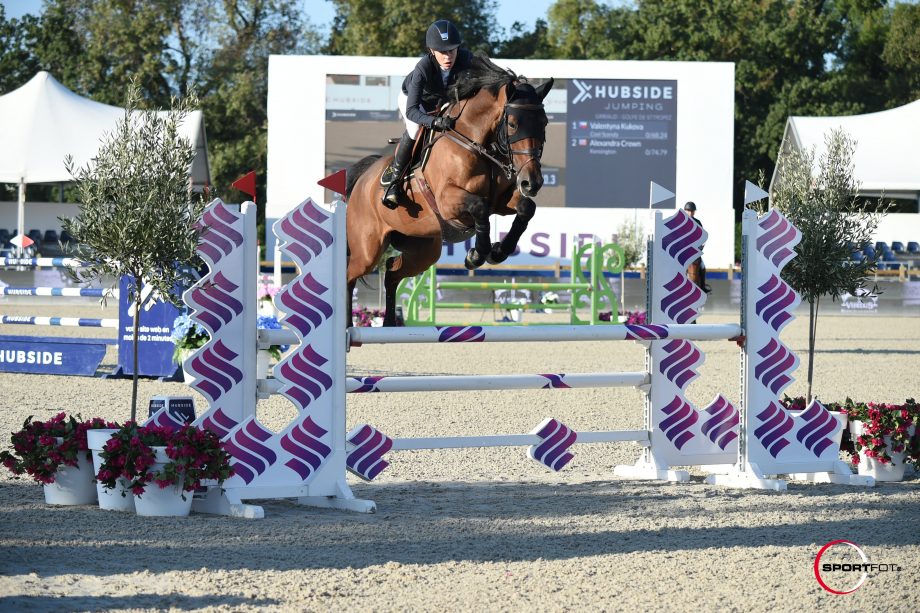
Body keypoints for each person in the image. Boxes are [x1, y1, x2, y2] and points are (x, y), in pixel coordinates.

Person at [380, 19, 474, 208]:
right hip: (414, 102)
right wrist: (435, 122)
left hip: (441, 101)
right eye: (442, 52)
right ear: (432, 51)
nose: (448, 57)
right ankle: (394, 181)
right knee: (415, 128)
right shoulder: (422, 68)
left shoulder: (466, 59)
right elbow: (412, 111)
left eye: (452, 51)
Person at [684, 201, 712, 293]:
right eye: (688, 211)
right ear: (685, 211)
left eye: (692, 211)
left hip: (695, 252)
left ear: (694, 212)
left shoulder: (698, 222)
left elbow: (703, 237)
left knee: (703, 267)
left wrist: (700, 248)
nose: (690, 213)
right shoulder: (681, 223)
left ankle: (703, 286)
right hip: (683, 252)